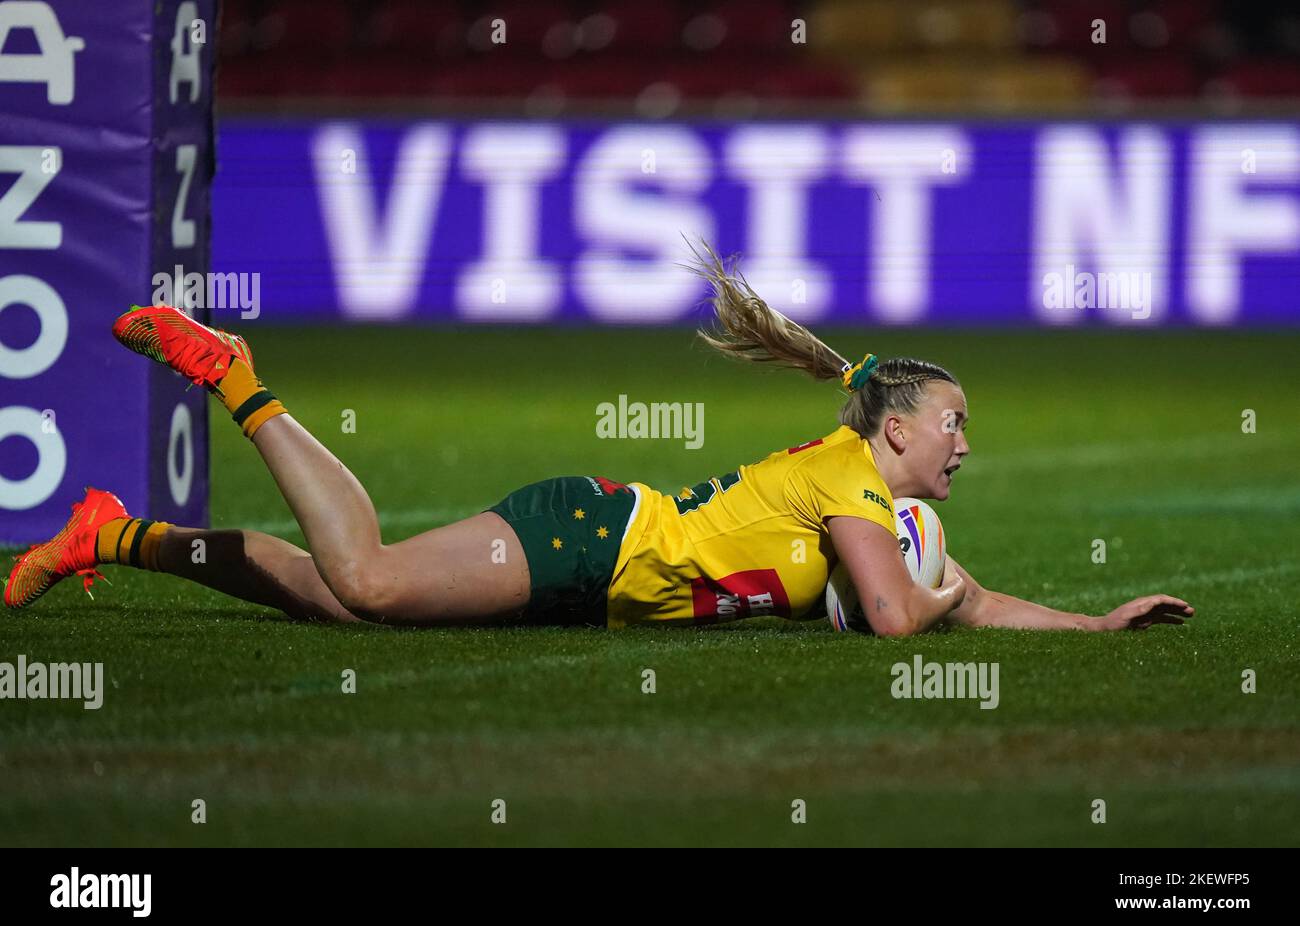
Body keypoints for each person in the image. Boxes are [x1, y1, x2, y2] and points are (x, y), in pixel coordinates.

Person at [4, 247, 1194, 636]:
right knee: (362, 582)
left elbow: (962, 597)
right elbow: (902, 615)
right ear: (893, 427)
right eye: (954, 424)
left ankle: (117, 532)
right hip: (586, 536)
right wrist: (934, 595)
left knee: (328, 598)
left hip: (596, 570)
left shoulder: (867, 504)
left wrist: (1094, 623)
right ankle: (240, 377)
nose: (964, 446)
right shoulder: (844, 484)